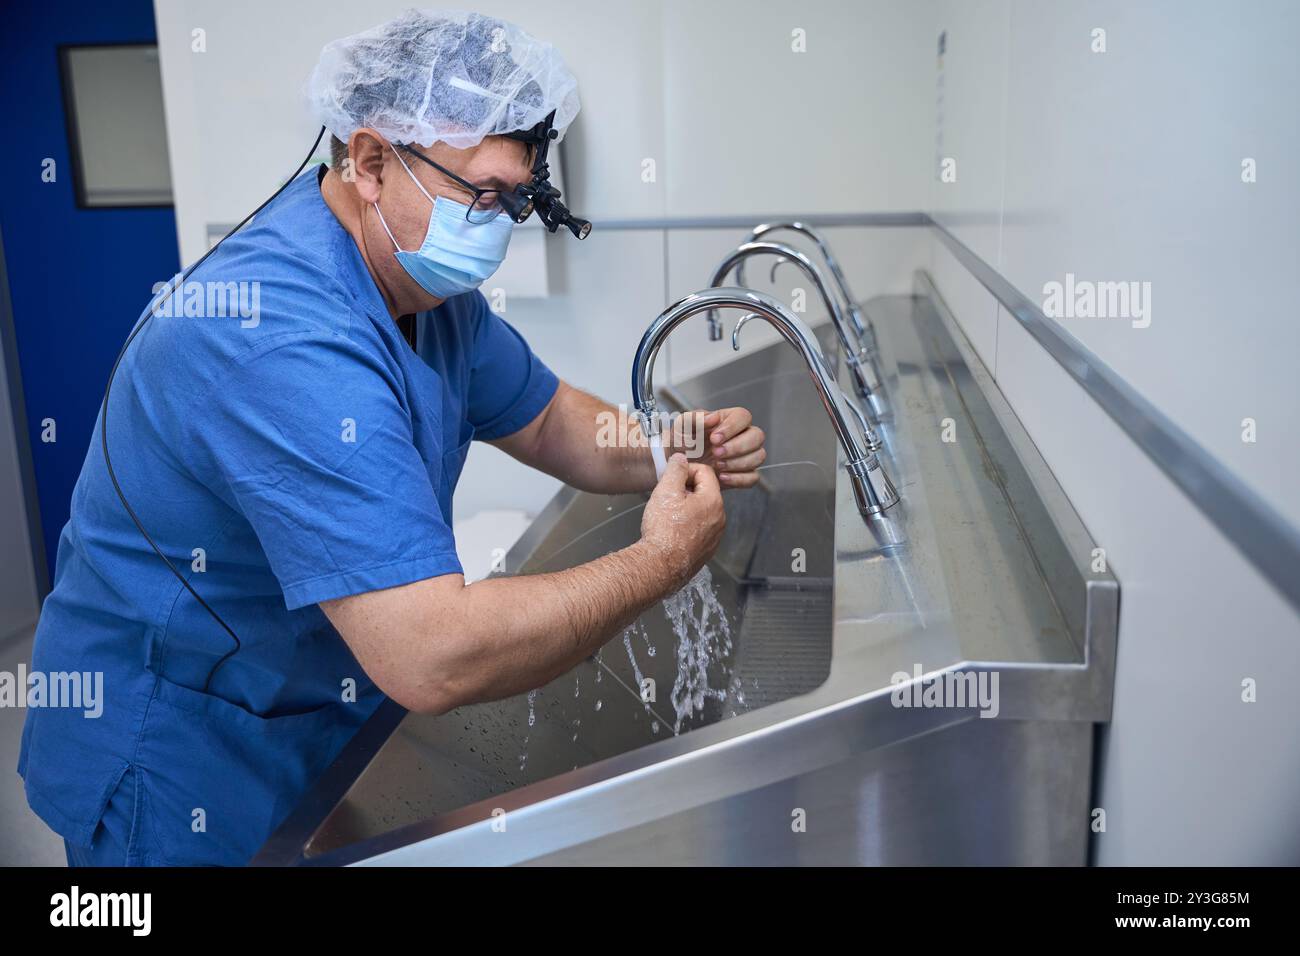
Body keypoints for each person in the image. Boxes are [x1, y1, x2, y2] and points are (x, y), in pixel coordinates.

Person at [19, 9, 766, 866]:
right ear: (371, 161)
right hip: (179, 753)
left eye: (514, 200)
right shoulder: (279, 338)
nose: (493, 226)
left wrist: (673, 441)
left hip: (312, 702)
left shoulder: (425, 291)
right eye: (479, 195)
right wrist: (661, 559)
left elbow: (554, 420)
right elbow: (432, 656)